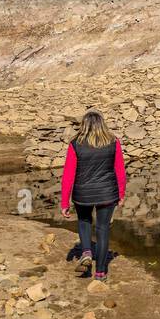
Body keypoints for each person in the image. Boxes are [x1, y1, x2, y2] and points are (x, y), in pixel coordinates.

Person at [59, 110, 126, 281]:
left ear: (84, 125)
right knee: (103, 230)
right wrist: (121, 193)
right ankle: (101, 272)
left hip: (83, 193)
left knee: (84, 221)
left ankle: (87, 251)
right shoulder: (113, 142)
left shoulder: (75, 144)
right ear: (102, 124)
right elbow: (120, 170)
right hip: (107, 193)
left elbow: (68, 175)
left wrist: (64, 203)